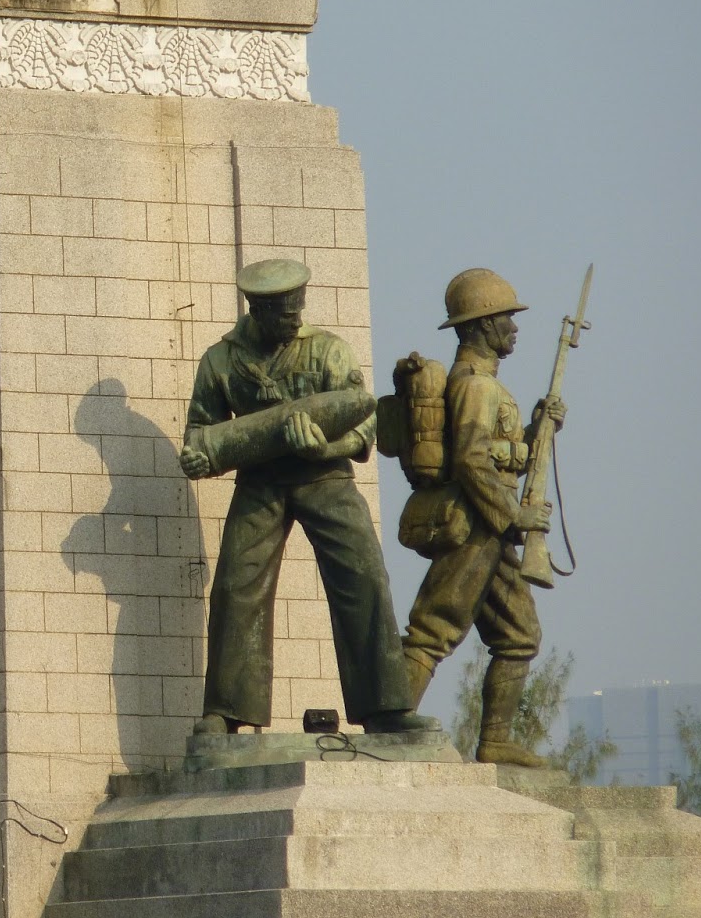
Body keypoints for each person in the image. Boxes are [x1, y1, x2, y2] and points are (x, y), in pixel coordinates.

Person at [180, 259, 434, 735]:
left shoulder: (329, 352)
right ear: (257, 308)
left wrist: (327, 447)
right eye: (283, 312)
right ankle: (227, 709)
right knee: (236, 586)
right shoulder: (221, 360)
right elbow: (201, 430)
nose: (296, 318)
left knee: (362, 574)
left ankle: (386, 704)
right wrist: (199, 458)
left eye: (299, 308)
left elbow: (366, 419)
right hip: (259, 483)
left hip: (326, 476)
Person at [401, 268, 563, 767]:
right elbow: (472, 459)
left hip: (490, 533)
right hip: (476, 530)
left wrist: (539, 428)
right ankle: (387, 722)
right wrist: (515, 516)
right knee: (434, 629)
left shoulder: (485, 385)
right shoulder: (476, 387)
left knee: (519, 636)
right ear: (481, 327)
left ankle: (494, 740)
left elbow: (498, 453)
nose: (514, 327)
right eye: (505, 319)